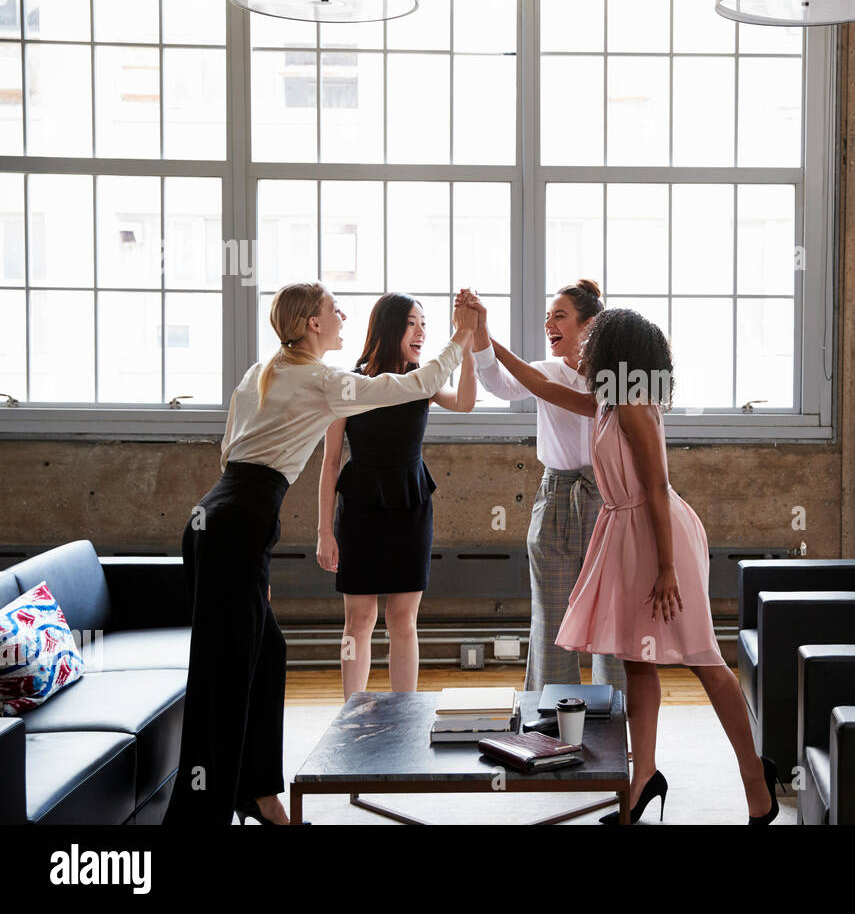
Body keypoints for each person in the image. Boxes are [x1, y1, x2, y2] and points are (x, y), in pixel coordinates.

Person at [164, 282, 478, 826]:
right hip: (237, 525)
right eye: (335, 311)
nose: (343, 316)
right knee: (227, 673)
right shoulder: (324, 380)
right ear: (313, 323)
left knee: (268, 656)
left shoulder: (262, 372)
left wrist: (251, 547)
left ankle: (260, 796)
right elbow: (425, 382)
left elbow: (230, 452)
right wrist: (464, 334)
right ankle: (204, 814)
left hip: (225, 518)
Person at [462, 296, 778, 825]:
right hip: (625, 529)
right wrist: (483, 337)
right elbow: (541, 387)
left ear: (615, 351)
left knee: (704, 659)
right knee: (638, 660)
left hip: (656, 536)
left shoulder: (632, 404)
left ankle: (755, 778)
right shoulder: (608, 401)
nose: (581, 346)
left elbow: (656, 486)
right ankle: (643, 779)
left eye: (591, 340)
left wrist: (667, 567)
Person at [467, 280, 626, 697]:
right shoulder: (545, 370)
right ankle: (551, 727)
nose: (548, 324)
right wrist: (480, 332)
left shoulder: (617, 380)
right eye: (547, 316)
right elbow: (498, 385)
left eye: (559, 316)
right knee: (552, 620)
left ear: (589, 324)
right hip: (555, 495)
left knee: (611, 618)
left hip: (609, 498)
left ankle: (616, 722)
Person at [316, 293, 477, 700]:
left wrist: (470, 349)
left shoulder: (421, 381)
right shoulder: (348, 384)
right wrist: (323, 531)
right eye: (412, 322)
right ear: (389, 328)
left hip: (412, 503)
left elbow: (466, 403)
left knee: (403, 619)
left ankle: (405, 711)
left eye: (424, 322)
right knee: (359, 618)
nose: (421, 331)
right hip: (359, 508)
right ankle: (350, 710)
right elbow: (330, 463)